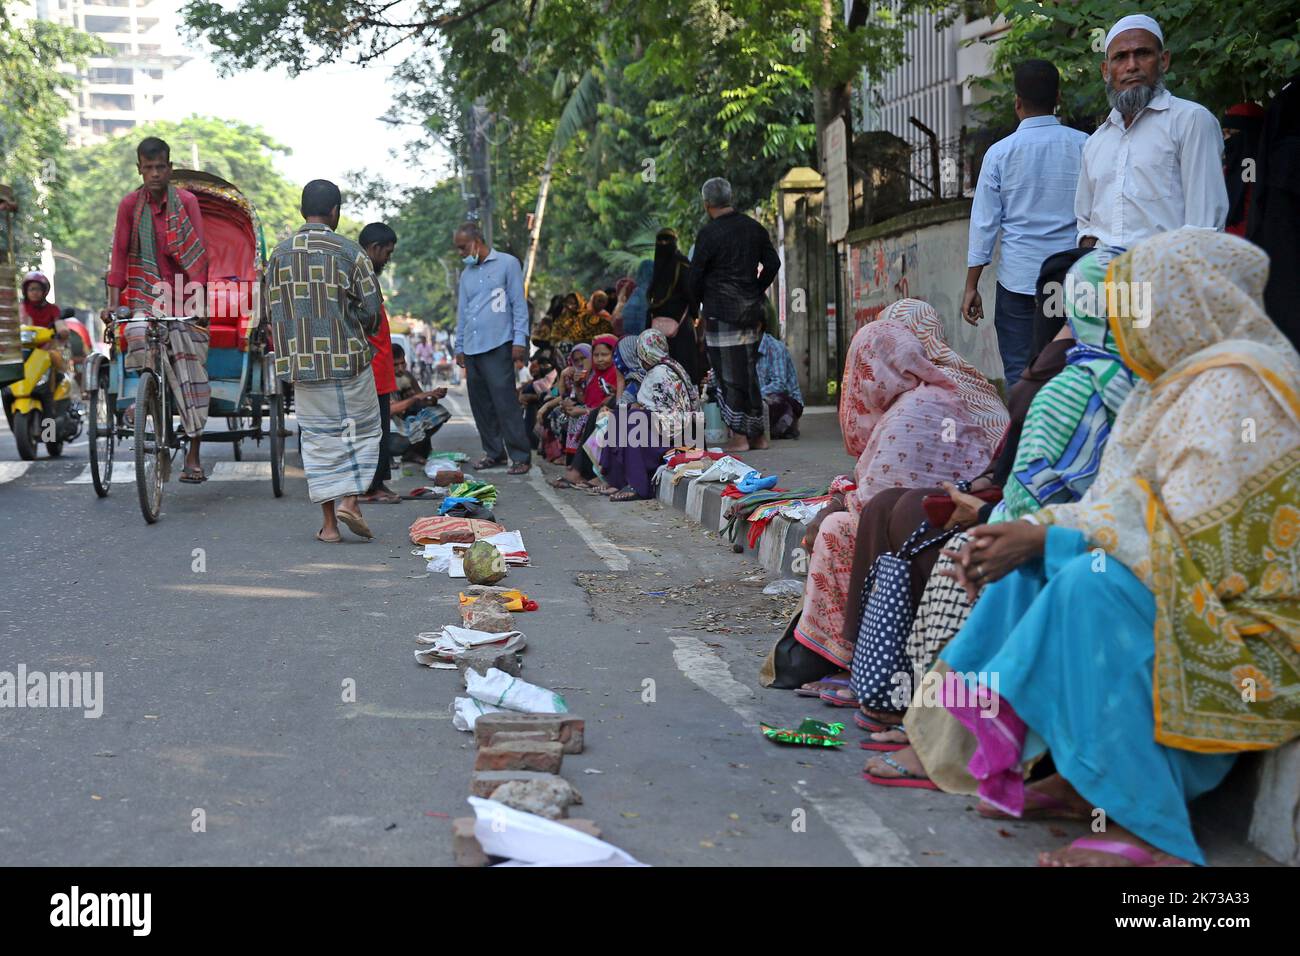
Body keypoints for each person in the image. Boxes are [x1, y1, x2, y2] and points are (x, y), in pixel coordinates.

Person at [933, 229, 1299, 867]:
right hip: (1183, 596)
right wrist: (1026, 533)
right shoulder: (1170, 385)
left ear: (1180, 302)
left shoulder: (1243, 382)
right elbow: (1118, 506)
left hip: (1248, 636)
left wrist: (1049, 536)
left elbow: (1198, 545)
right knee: (1035, 562)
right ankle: (1058, 774)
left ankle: (1149, 830)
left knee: (1085, 580)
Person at [792, 300, 1008, 677]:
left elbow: (884, 488)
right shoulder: (959, 381)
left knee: (840, 529)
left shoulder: (922, 401)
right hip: (977, 510)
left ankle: (858, 659)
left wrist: (839, 502)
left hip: (951, 523)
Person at [265, 179, 382, 543]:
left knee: (318, 440)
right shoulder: (350, 253)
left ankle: (330, 526)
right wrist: (351, 322)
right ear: (335, 211)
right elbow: (372, 310)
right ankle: (351, 499)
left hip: (302, 366)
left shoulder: (278, 255)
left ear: (303, 210)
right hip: (348, 360)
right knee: (361, 431)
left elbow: (270, 311)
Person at [963, 60, 1087, 389]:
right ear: (1058, 97)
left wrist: (971, 287)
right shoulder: (1085, 146)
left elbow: (984, 226)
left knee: (1021, 374)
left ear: (1017, 102)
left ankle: (1025, 436)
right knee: (1071, 369)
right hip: (1072, 281)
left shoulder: (999, 154)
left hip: (1017, 285)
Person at [104, 136, 210, 483]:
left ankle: (193, 452)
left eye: (160, 167)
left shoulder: (188, 202)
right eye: (147, 168)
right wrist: (112, 303)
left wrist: (198, 303)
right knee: (135, 332)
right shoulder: (128, 206)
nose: (154, 173)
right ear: (139, 168)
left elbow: (198, 255)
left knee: (189, 358)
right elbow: (119, 254)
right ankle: (148, 397)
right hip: (143, 296)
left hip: (181, 298)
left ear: (170, 168)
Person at [1075, 14, 1229, 249]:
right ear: (1106, 70)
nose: (1131, 65)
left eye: (1143, 53)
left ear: (1163, 60)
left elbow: (1206, 227)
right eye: (1120, 57)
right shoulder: (1096, 141)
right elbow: (1085, 223)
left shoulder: (1191, 121)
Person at [688, 178, 781, 451]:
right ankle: (758, 436)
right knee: (748, 370)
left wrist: (696, 307)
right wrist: (756, 288)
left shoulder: (708, 234)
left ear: (707, 204)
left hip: (720, 312)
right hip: (751, 311)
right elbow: (773, 263)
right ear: (730, 198)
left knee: (728, 374)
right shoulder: (753, 228)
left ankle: (739, 437)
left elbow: (695, 276)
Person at [453, 221, 532, 475]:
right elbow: (463, 312)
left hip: (499, 343)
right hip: (473, 347)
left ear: (477, 241)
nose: (461, 253)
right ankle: (493, 452)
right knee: (480, 404)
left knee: (505, 401)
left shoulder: (508, 264)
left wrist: (520, 340)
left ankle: (520, 456)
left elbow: (518, 304)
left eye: (463, 247)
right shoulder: (466, 275)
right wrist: (459, 346)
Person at [599, 328, 702, 501]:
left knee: (629, 421)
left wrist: (634, 409)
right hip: (690, 431)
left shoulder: (657, 373)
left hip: (678, 436)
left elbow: (648, 409)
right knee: (622, 417)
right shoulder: (672, 365)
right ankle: (619, 481)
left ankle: (636, 485)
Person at [358, 222, 401, 504]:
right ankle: (371, 486)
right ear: (374, 249)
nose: (388, 259)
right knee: (374, 430)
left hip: (380, 366)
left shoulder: (366, 274)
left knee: (381, 428)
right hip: (371, 367)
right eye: (387, 253)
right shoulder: (359, 274)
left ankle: (377, 483)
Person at [550, 333, 623, 489]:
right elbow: (585, 400)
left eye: (605, 354)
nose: (600, 359)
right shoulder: (595, 375)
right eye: (596, 355)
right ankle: (575, 465)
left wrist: (583, 411)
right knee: (570, 416)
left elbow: (613, 401)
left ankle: (578, 471)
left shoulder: (616, 372)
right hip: (596, 410)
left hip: (605, 412)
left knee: (589, 418)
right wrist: (576, 386)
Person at [645, 228, 702, 385]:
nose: (663, 244)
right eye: (661, 240)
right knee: (683, 368)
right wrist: (696, 314)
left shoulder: (659, 265)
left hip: (660, 326)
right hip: (681, 325)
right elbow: (691, 292)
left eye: (666, 240)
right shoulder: (682, 264)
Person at [389, 343, 449, 464]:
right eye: (395, 365)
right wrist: (415, 398)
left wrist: (434, 396)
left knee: (438, 412)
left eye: (402, 363)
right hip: (391, 430)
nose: (400, 368)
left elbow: (423, 402)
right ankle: (388, 456)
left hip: (406, 424)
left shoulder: (408, 376)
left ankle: (413, 452)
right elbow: (390, 410)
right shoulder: (382, 380)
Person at [756, 331, 803, 439]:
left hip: (787, 399)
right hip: (761, 397)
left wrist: (755, 395)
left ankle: (788, 424)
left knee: (774, 400)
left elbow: (779, 384)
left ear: (758, 326)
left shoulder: (775, 348)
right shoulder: (745, 347)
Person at [20, 272, 69, 375]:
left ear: (44, 291)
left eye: (38, 289)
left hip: (48, 347)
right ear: (26, 291)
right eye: (31, 289)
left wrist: (62, 331)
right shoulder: (21, 308)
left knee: (56, 358)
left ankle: (60, 379)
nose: (34, 292)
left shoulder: (53, 309)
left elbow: (60, 323)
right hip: (23, 348)